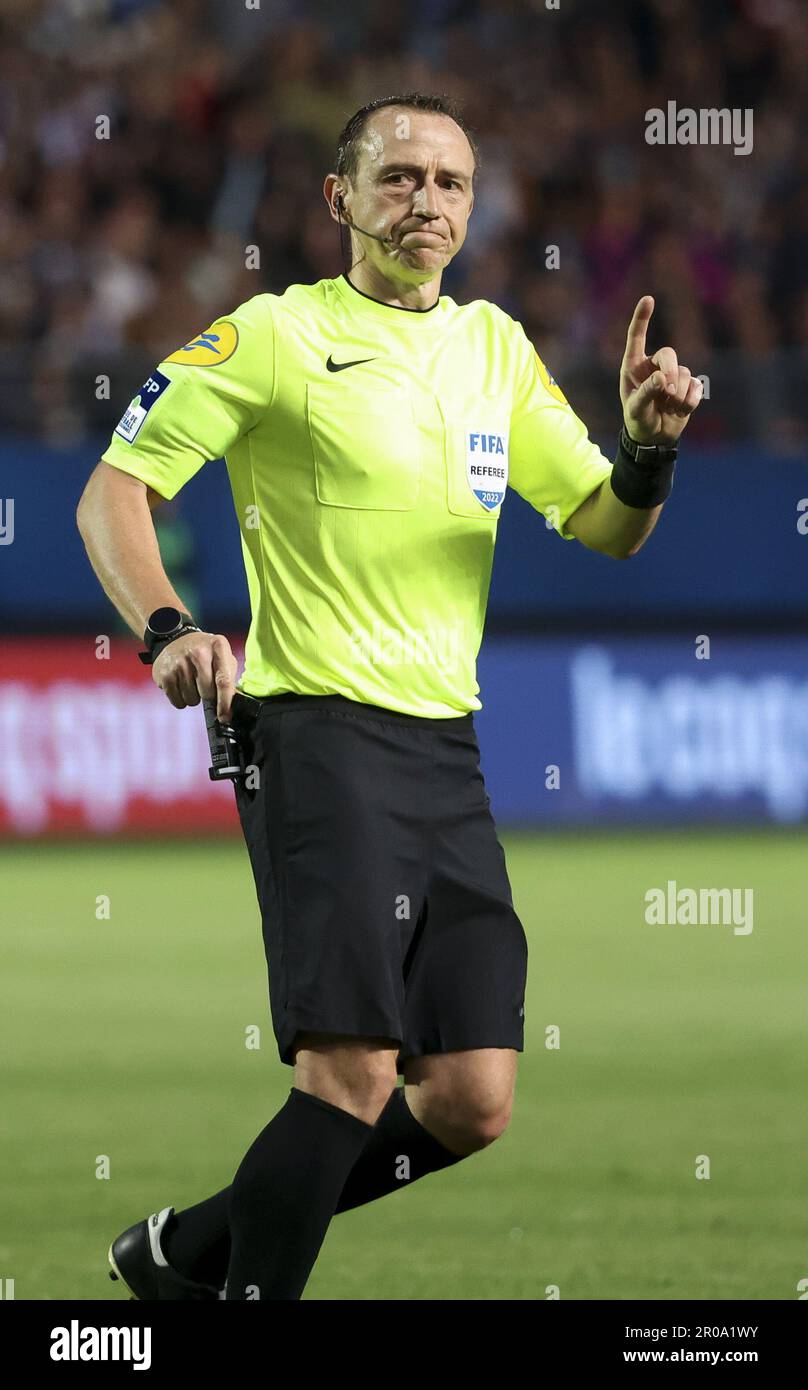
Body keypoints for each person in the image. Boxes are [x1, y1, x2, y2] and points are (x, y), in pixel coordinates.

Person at [76, 92, 702, 1301]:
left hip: (442, 751)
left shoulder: (494, 349)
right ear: (342, 199)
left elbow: (603, 525)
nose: (428, 200)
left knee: (469, 1098)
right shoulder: (270, 335)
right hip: (314, 735)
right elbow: (114, 491)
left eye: (452, 182)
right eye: (401, 176)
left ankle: (183, 1254)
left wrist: (648, 448)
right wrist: (165, 626)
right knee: (350, 1078)